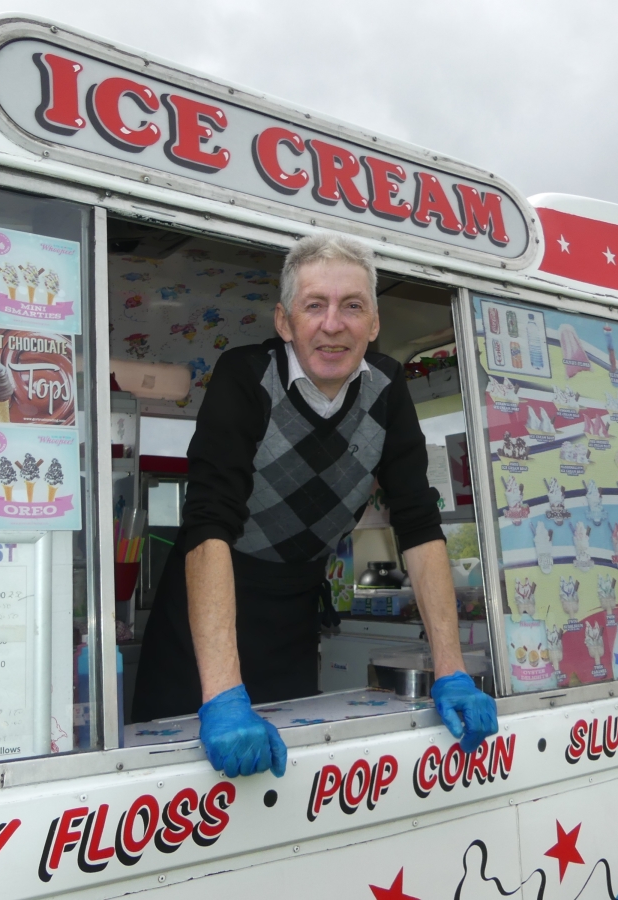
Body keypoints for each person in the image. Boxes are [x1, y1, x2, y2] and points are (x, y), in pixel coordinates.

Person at [132, 233, 497, 777]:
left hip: (294, 611)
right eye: (315, 305)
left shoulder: (389, 390)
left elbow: (418, 526)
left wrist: (451, 670)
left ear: (373, 325)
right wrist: (224, 697)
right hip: (205, 607)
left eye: (353, 306)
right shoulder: (244, 376)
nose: (333, 324)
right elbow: (209, 522)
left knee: (290, 776)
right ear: (284, 322)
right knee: (173, 778)